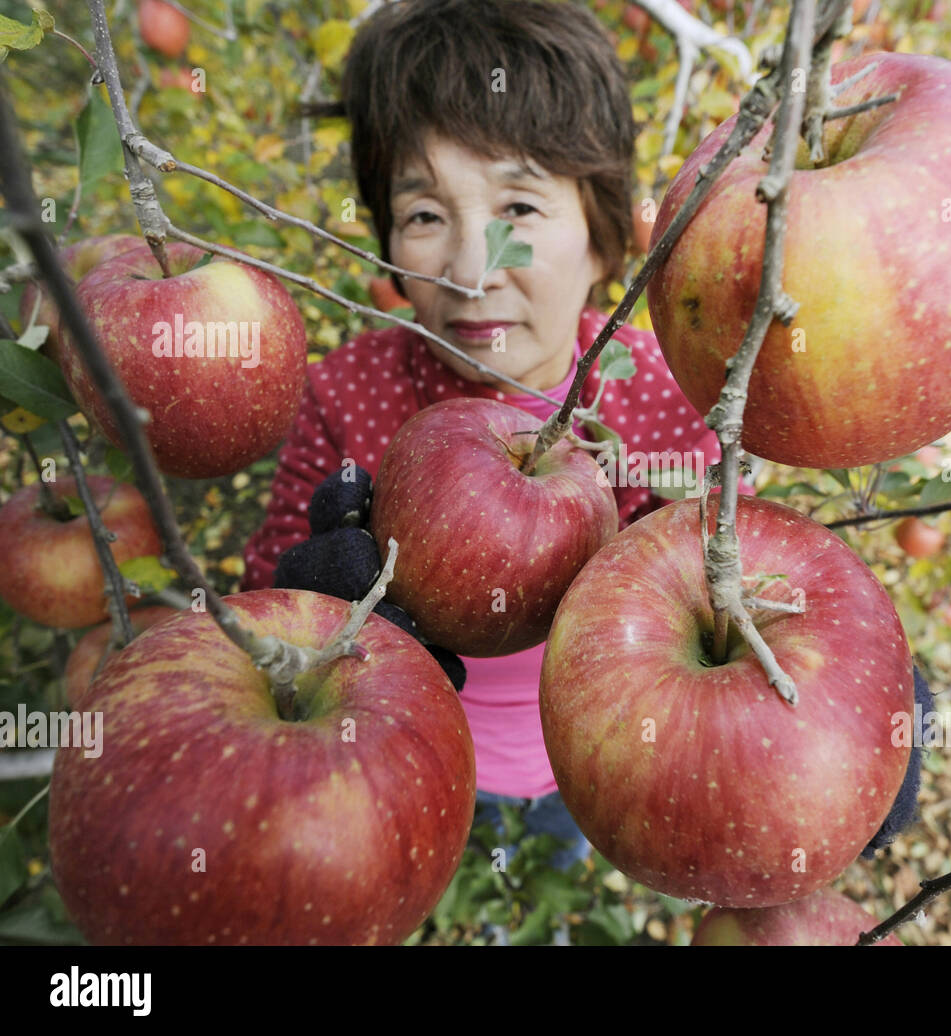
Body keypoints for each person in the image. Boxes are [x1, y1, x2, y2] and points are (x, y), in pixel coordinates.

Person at [240, 0, 752, 924]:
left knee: (549, 878)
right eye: (426, 212)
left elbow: (737, 579)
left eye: (519, 204)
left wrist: (804, 702)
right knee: (459, 875)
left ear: (603, 236)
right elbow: (272, 577)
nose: (472, 267)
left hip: (588, 766)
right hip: (419, 752)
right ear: (390, 246)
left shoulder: (665, 405)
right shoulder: (345, 398)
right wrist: (310, 606)